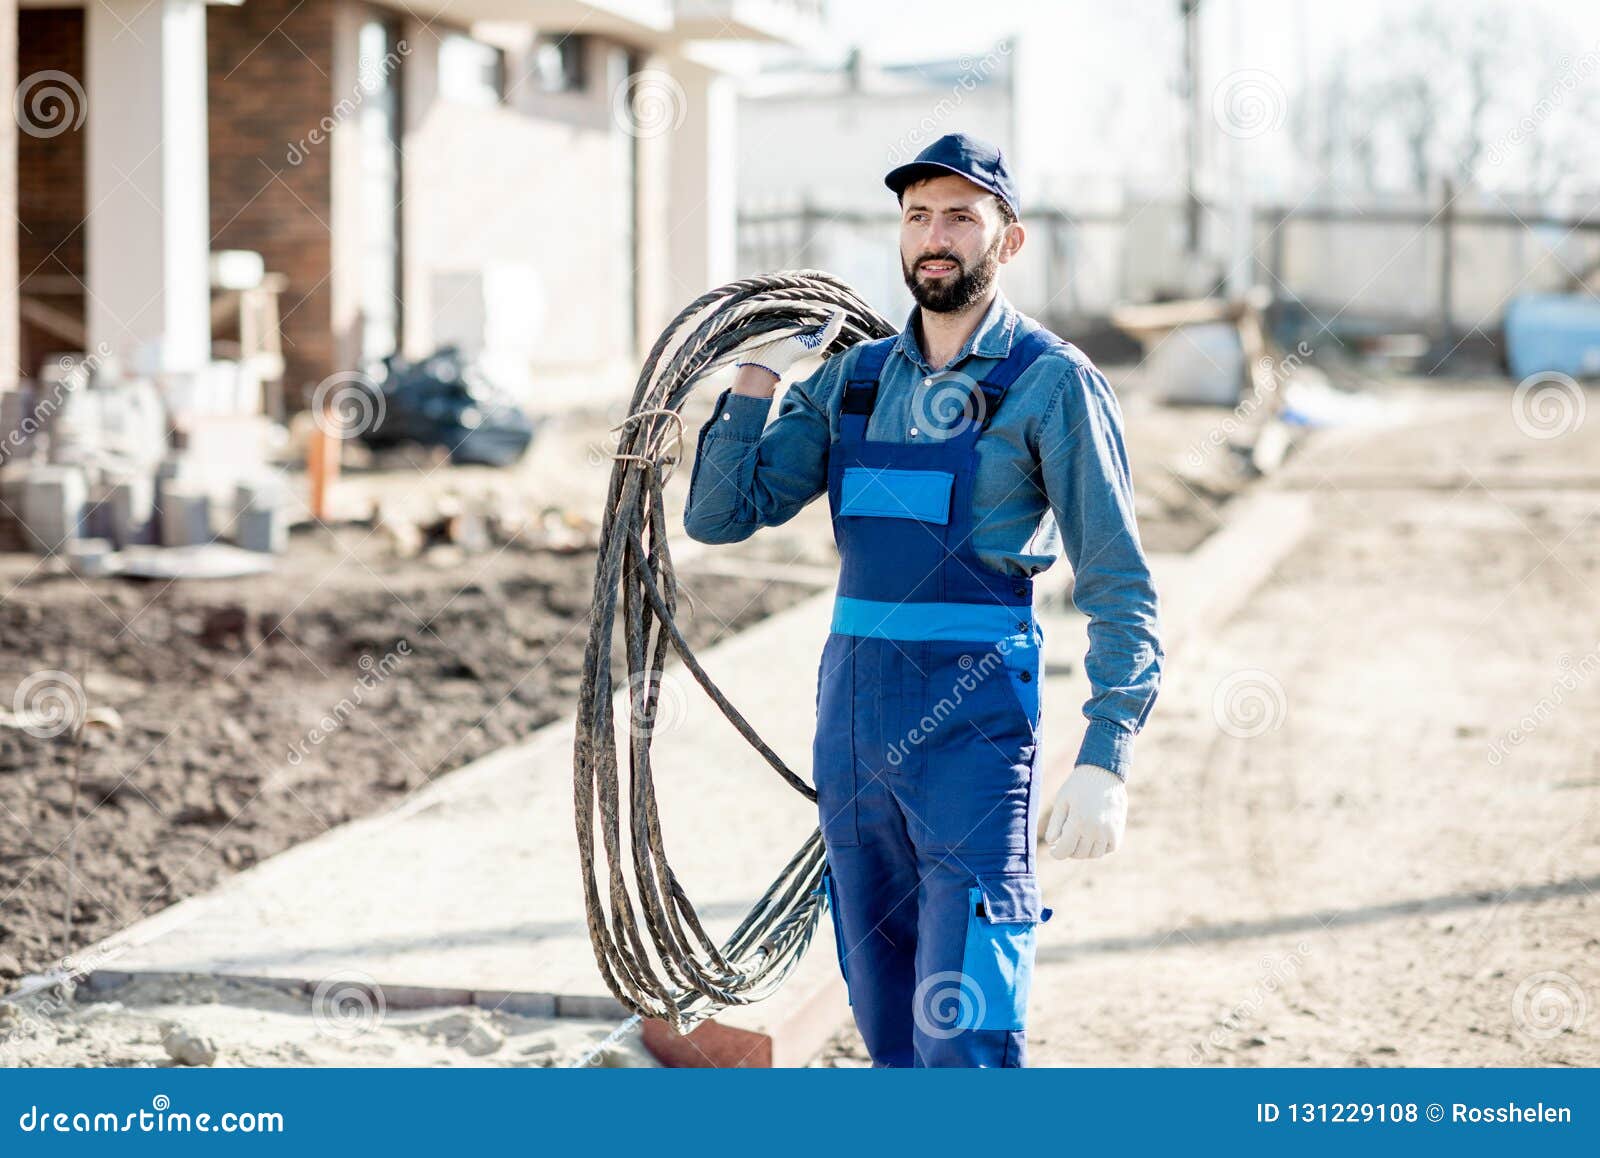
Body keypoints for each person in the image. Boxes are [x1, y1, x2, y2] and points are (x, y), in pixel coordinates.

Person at [682, 133, 1163, 1067]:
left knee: (966, 1007)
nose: (934, 236)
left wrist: (1108, 750)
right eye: (916, 217)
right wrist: (757, 376)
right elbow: (718, 515)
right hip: (852, 722)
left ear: (1007, 241)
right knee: (884, 1001)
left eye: (959, 216)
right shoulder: (852, 381)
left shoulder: (1050, 382)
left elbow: (1119, 582)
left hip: (973, 728)